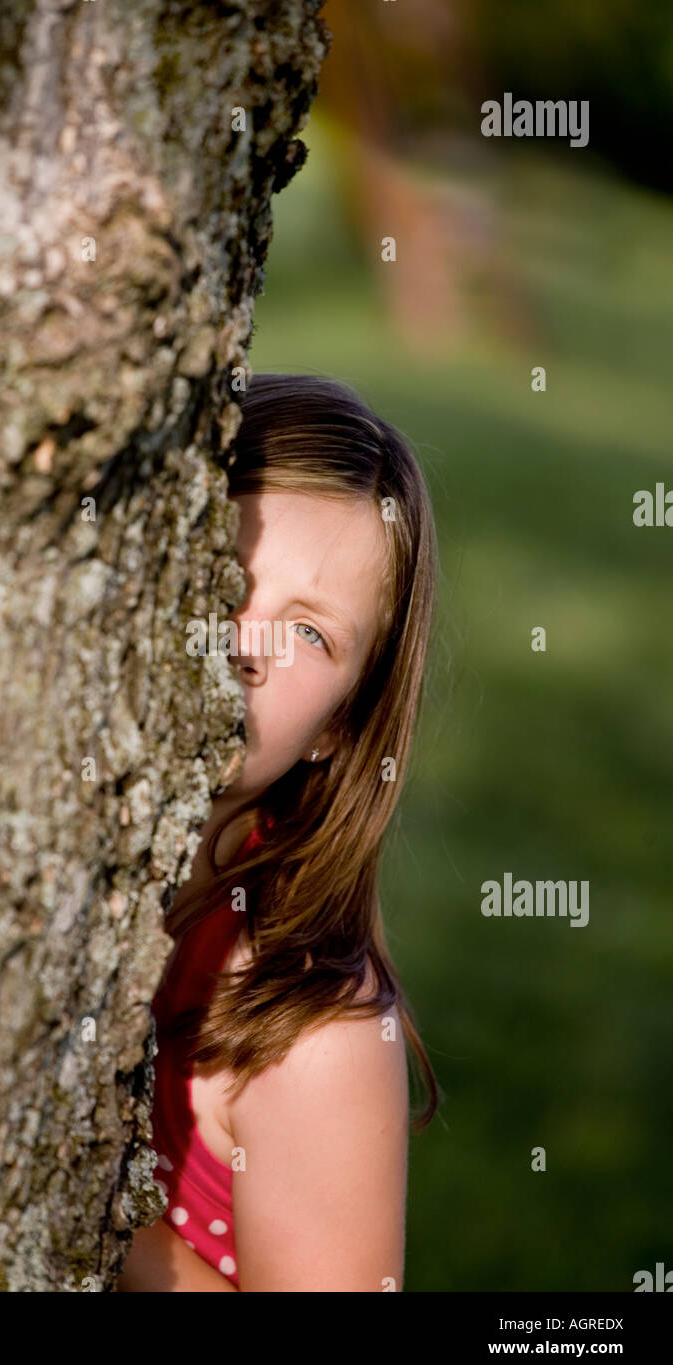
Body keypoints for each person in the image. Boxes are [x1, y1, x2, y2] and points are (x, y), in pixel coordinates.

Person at [116, 372, 441, 1292]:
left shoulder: (309, 1032)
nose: (242, 646)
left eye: (308, 632)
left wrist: (83, 1208)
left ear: (342, 723)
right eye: (227, 577)